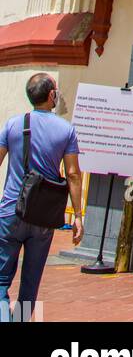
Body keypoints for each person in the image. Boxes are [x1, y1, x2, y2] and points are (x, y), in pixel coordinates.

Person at [0, 73, 83, 322]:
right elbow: (73, 174)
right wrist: (77, 215)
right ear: (51, 96)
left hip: (10, 212)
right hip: (43, 218)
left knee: (1, 281)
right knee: (30, 285)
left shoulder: (13, 125)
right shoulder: (66, 130)